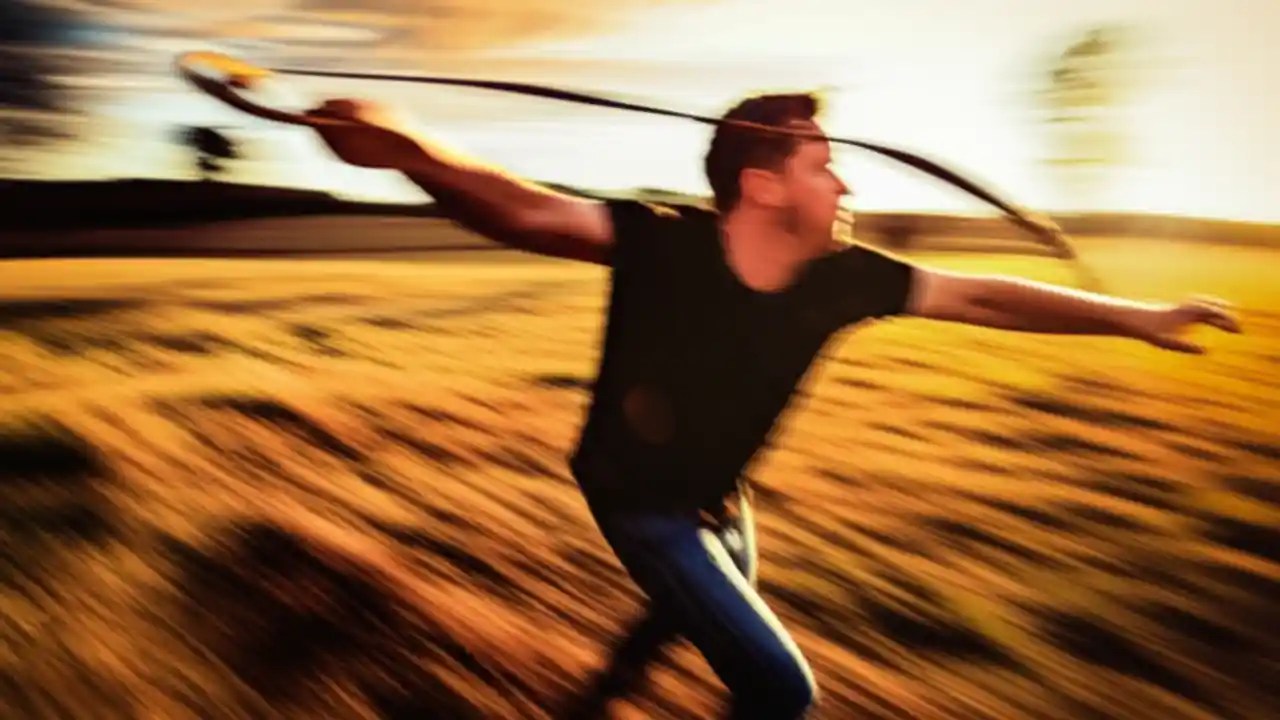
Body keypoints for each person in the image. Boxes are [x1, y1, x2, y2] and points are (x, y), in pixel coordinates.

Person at [304, 92, 1240, 718]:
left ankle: (610, 689)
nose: (846, 185)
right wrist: (395, 145)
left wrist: (1141, 319)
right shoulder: (660, 241)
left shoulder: (844, 279)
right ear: (761, 186)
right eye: (823, 167)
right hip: (639, 504)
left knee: (696, 607)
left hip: (723, 500)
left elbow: (986, 296)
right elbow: (522, 210)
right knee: (781, 692)